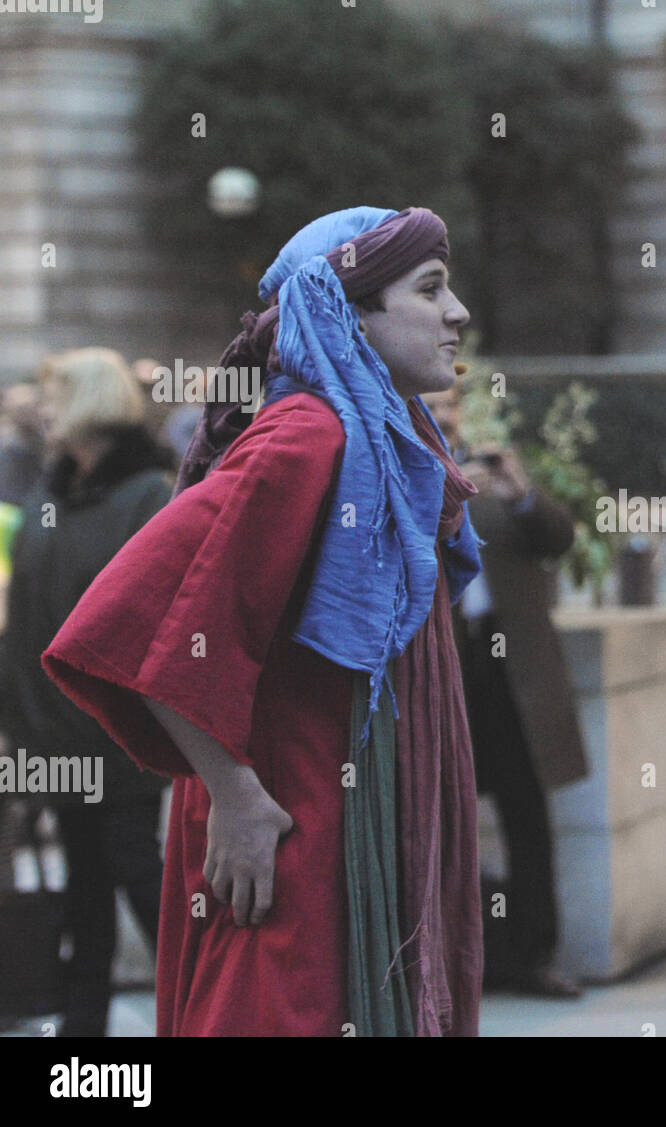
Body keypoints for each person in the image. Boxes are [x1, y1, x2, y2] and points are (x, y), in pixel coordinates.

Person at [42, 207, 484, 1037]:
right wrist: (236, 795)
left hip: (348, 819)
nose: (457, 312)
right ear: (344, 313)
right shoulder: (307, 437)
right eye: (430, 288)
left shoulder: (383, 438)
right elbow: (131, 614)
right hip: (298, 829)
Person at [2, 349, 174, 1036]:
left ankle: (206, 1007)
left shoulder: (148, 493)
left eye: (57, 394)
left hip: (120, 725)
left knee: (139, 868)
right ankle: (83, 1039)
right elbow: (29, 609)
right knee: (85, 888)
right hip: (53, 726)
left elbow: (154, 611)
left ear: (91, 402)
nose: (43, 408)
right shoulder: (51, 492)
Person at [428, 385, 588, 997]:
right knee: (440, 815)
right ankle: (447, 953)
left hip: (510, 665)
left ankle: (532, 954)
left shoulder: (495, 473)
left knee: (527, 813)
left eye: (452, 407)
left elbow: (560, 540)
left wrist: (521, 496)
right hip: (444, 666)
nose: (445, 417)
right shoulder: (407, 468)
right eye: (434, 407)